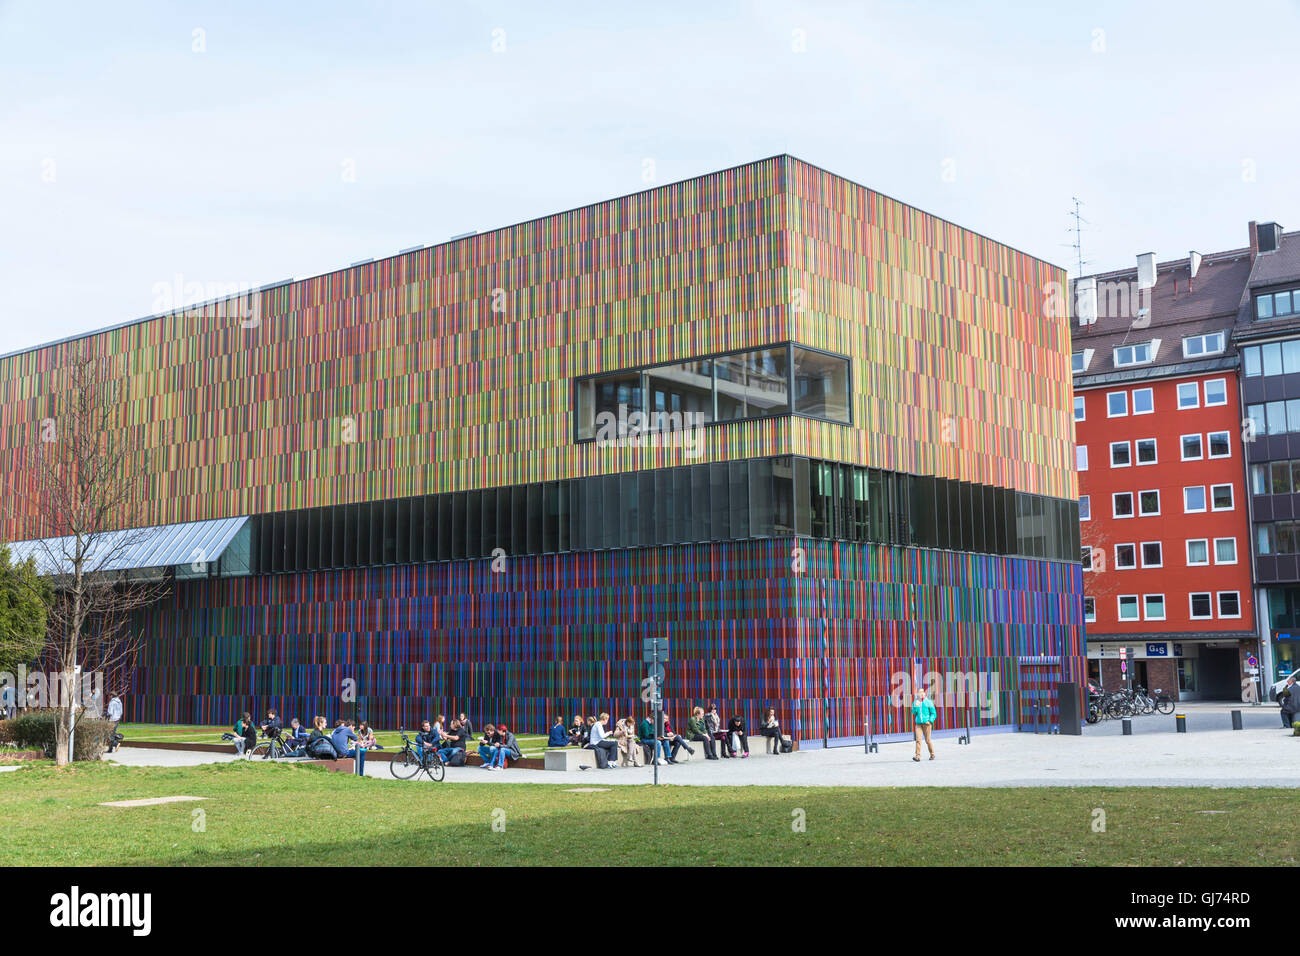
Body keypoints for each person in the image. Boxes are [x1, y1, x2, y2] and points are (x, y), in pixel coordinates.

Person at [912, 685, 937, 761]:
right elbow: (914, 713)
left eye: (923, 692)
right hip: (918, 724)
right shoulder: (915, 702)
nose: (922, 693)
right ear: (917, 694)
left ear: (925, 693)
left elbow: (933, 713)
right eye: (920, 692)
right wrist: (916, 707)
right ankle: (917, 756)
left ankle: (932, 754)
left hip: (927, 724)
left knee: (927, 740)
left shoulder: (928, 702)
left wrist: (930, 721)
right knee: (918, 740)